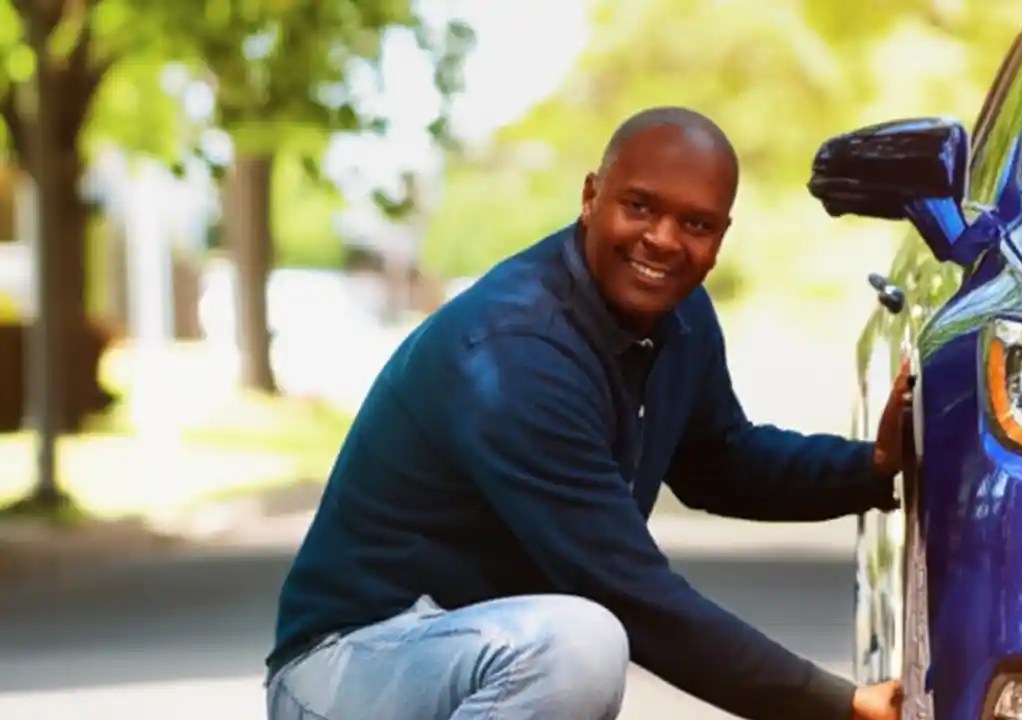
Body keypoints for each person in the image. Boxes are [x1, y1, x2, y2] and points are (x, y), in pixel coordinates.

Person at [265, 105, 911, 720]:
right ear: (589, 197)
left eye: (696, 224)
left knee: (571, 639)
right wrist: (834, 704)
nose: (662, 240)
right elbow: (631, 594)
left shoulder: (678, 315)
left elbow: (722, 461)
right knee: (578, 644)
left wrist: (873, 469)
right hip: (348, 668)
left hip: (472, 654)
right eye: (639, 207)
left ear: (720, 236)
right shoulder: (517, 351)